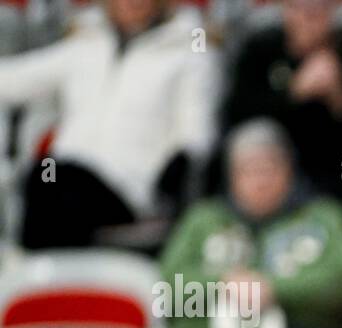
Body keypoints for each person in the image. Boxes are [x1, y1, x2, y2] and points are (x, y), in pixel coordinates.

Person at [0, 0, 218, 249]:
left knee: (59, 184)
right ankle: (37, 278)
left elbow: (196, 126)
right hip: (61, 177)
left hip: (128, 189)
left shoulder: (188, 52)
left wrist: (183, 160)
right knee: (42, 175)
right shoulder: (86, 46)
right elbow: (17, 79)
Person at [159, 118, 342, 328]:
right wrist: (224, 284)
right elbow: (166, 290)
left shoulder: (325, 218)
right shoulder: (202, 219)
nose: (260, 181)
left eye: (269, 168)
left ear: (290, 170)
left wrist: (273, 288)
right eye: (249, 170)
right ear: (231, 176)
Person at [219, 0, 342, 240]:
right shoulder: (260, 51)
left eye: (318, 9)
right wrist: (293, 93)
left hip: (333, 173)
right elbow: (235, 121)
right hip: (270, 164)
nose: (308, 17)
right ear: (284, 11)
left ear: (334, 12)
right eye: (298, 8)